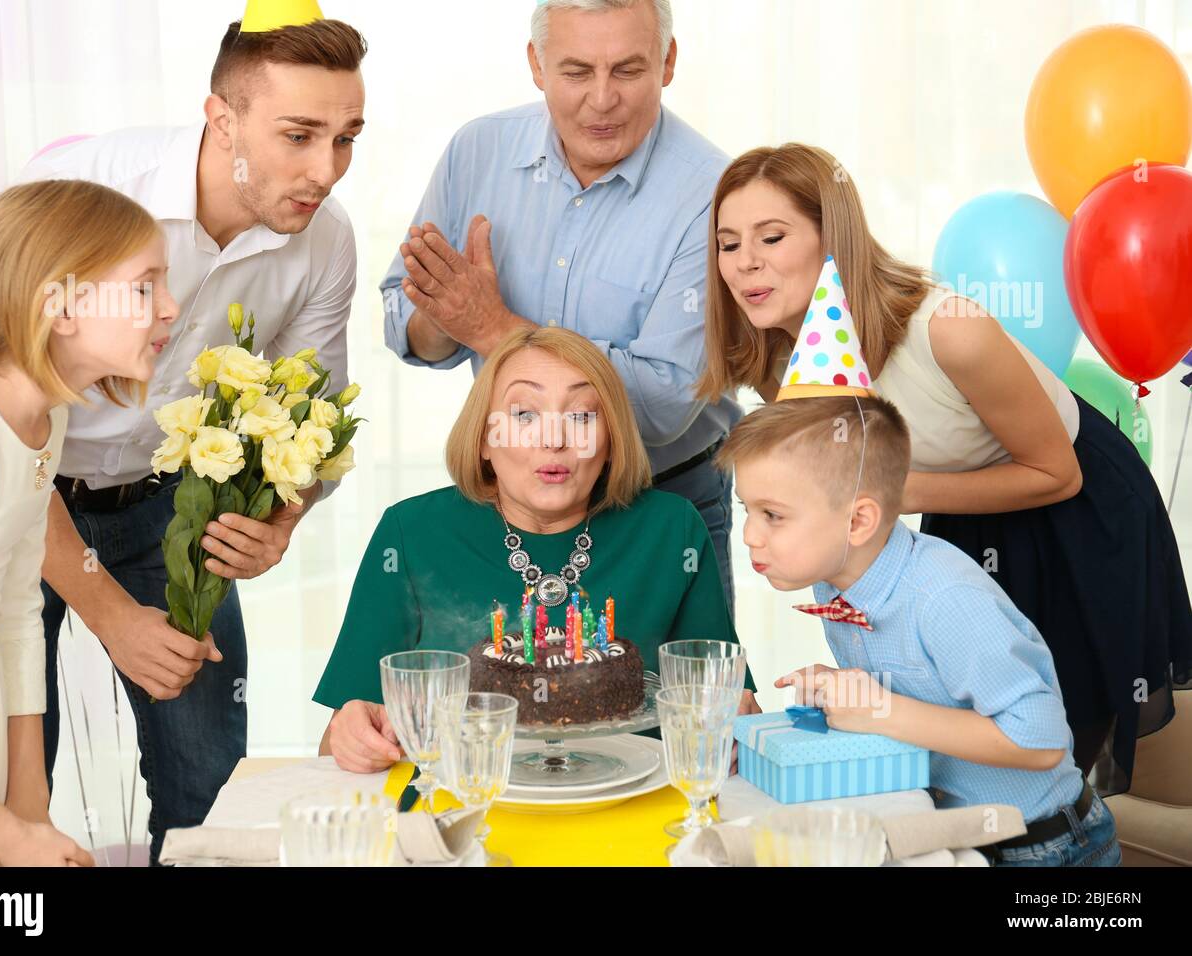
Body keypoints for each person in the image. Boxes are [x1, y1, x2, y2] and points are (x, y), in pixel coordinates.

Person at [0, 3, 368, 863]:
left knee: (212, 785)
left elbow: (308, 418)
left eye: (347, 136)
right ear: (223, 119)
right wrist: (109, 611)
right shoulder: (89, 192)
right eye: (299, 135)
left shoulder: (326, 241)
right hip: (16, 507)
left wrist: (279, 525)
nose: (327, 169)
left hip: (173, 506)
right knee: (6, 785)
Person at [697, 142, 1192, 795]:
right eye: (728, 244)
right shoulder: (776, 356)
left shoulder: (947, 330)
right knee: (953, 750)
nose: (745, 263)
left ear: (830, 238)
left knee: (1043, 752)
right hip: (960, 517)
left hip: (1074, 512)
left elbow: (1057, 474)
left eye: (771, 236)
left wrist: (885, 494)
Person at [382, 0, 742, 614]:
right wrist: (447, 317)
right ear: (536, 64)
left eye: (628, 70)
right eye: (576, 71)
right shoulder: (477, 149)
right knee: (504, 694)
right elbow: (402, 325)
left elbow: (660, 406)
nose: (602, 100)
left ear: (669, 62)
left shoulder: (716, 192)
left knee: (685, 705)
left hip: (665, 501)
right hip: (510, 498)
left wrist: (493, 328)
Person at [314, 327, 754, 771]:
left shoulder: (672, 530)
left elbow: (724, 697)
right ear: (486, 439)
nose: (555, 440)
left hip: (638, 803)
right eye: (524, 414)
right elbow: (338, 740)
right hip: (464, 803)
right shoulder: (410, 533)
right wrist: (352, 738)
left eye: (582, 416)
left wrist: (737, 726)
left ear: (611, 440)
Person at [0, 178, 176, 865]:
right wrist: (8, 833)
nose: (170, 308)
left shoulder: (45, 420)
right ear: (62, 305)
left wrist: (27, 804)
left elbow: (19, 609)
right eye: (145, 287)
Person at [723, 393, 1120, 866]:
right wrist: (845, 695)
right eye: (745, 508)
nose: (749, 533)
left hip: (1043, 846)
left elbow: (1041, 740)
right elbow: (919, 697)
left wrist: (879, 709)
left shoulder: (944, 599)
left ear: (858, 521)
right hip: (945, 835)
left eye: (772, 514)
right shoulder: (835, 581)